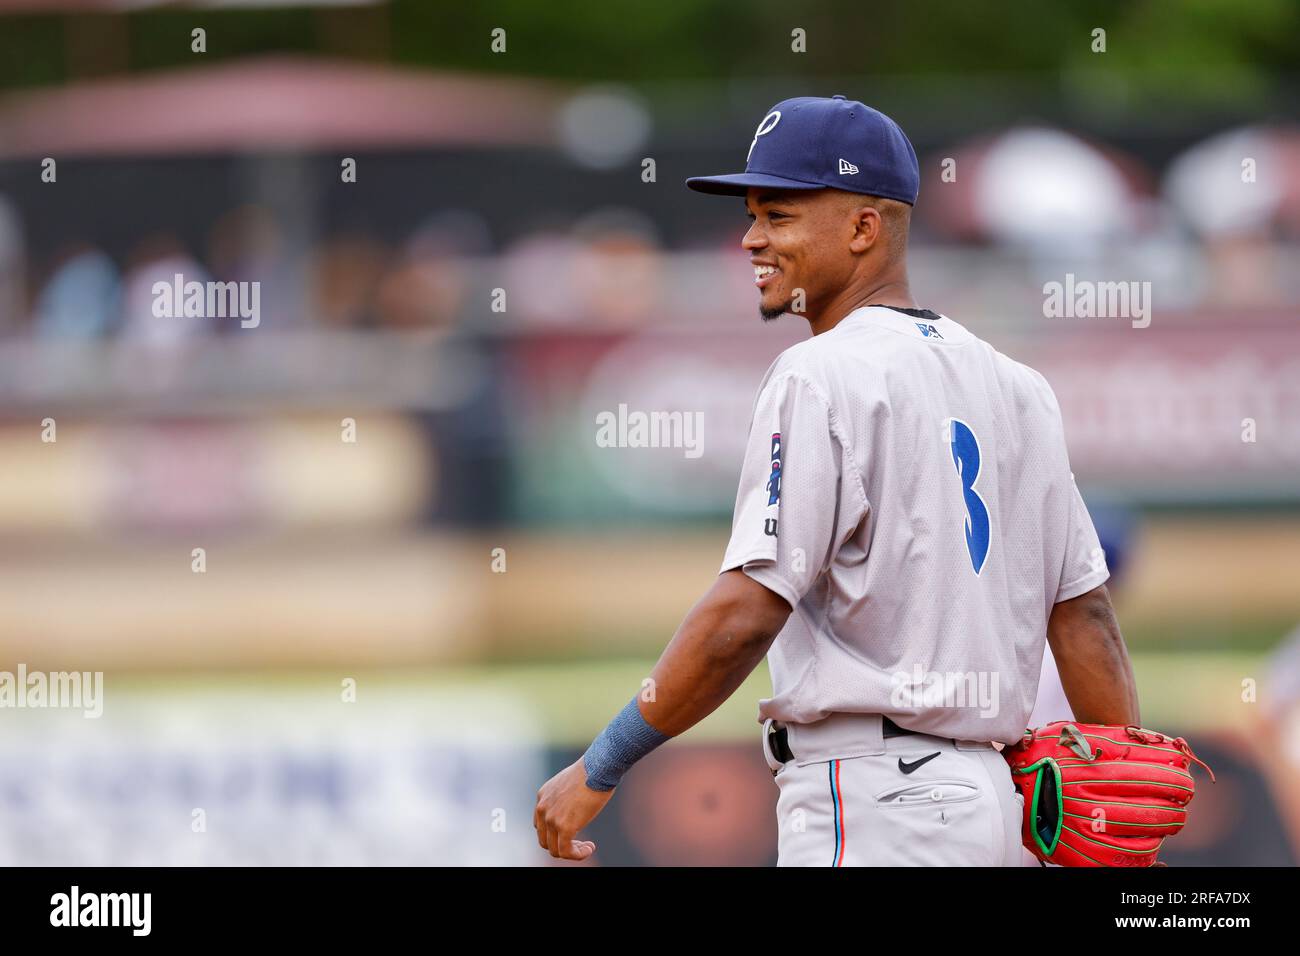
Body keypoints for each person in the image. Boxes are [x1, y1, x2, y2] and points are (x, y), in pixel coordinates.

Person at [533, 95, 1140, 866]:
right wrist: (1120, 814)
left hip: (875, 801)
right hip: (994, 807)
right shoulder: (1018, 385)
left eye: (778, 214)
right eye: (752, 214)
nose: (752, 238)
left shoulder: (821, 373)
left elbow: (744, 617)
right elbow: (1085, 620)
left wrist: (603, 761)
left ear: (863, 228)